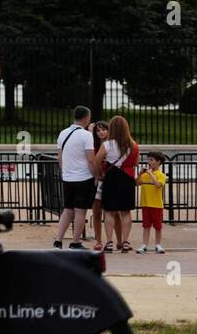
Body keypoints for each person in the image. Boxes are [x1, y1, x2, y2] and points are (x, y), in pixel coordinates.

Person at [54, 106, 94, 249]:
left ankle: (58, 241)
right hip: (83, 177)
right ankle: (75, 241)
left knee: (68, 209)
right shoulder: (86, 135)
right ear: (86, 118)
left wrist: (65, 172)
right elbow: (90, 159)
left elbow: (59, 157)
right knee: (80, 211)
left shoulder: (63, 133)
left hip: (68, 176)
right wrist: (96, 175)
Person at [99, 115, 139, 252]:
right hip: (127, 178)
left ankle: (109, 242)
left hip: (111, 177)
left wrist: (100, 173)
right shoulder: (133, 145)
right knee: (125, 212)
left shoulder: (107, 145)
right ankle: (126, 242)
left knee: (109, 211)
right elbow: (135, 163)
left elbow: (97, 160)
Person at [136, 151, 168, 254]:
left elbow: (158, 185)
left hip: (156, 205)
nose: (148, 162)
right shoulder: (145, 175)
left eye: (151, 160)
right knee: (146, 226)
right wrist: (141, 174)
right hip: (145, 204)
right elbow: (137, 183)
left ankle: (158, 244)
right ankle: (144, 245)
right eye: (148, 159)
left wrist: (150, 173)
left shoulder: (161, 175)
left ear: (158, 162)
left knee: (158, 226)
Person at [88, 120, 109, 250]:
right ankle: (99, 240)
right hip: (97, 180)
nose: (101, 132)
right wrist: (90, 131)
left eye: (103, 129)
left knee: (112, 213)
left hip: (109, 180)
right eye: (98, 130)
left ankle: (112, 239)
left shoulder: (112, 144)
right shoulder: (94, 146)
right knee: (97, 212)